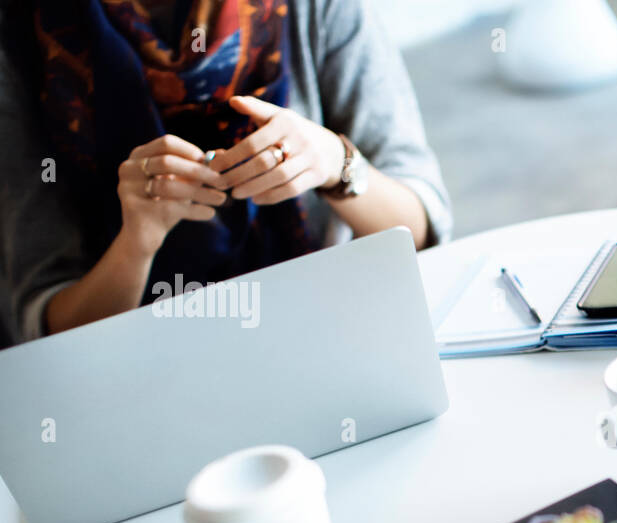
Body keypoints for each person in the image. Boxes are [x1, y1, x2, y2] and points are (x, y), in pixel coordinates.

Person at [0, 0, 452, 344]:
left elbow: (422, 231)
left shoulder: (315, 9)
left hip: (326, 330)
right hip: (142, 369)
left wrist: (336, 162)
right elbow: (45, 329)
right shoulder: (21, 36)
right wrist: (136, 242)